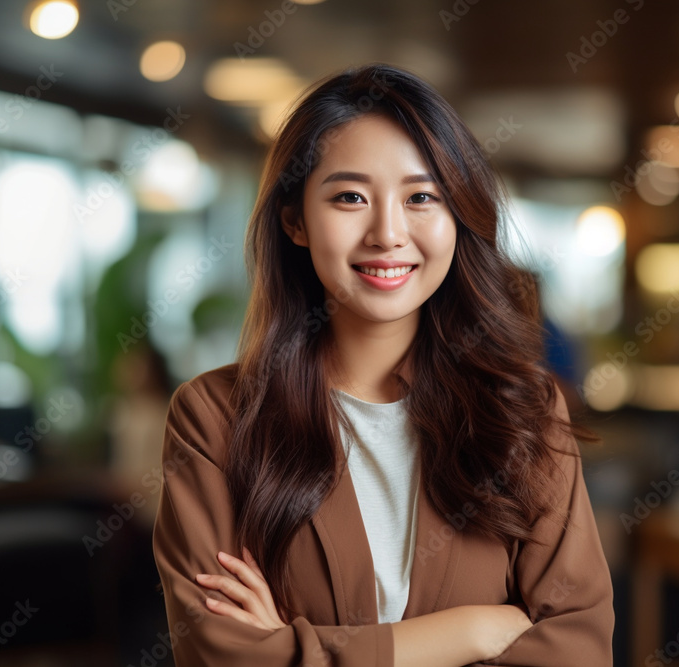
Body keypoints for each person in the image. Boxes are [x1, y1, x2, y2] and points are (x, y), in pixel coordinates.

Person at [152, 63, 614, 667]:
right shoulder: (214, 418)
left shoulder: (524, 409)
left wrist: (297, 649)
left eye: (421, 197)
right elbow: (222, 659)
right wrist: (472, 632)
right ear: (295, 219)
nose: (388, 233)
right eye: (350, 197)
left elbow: (577, 650)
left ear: (457, 215)